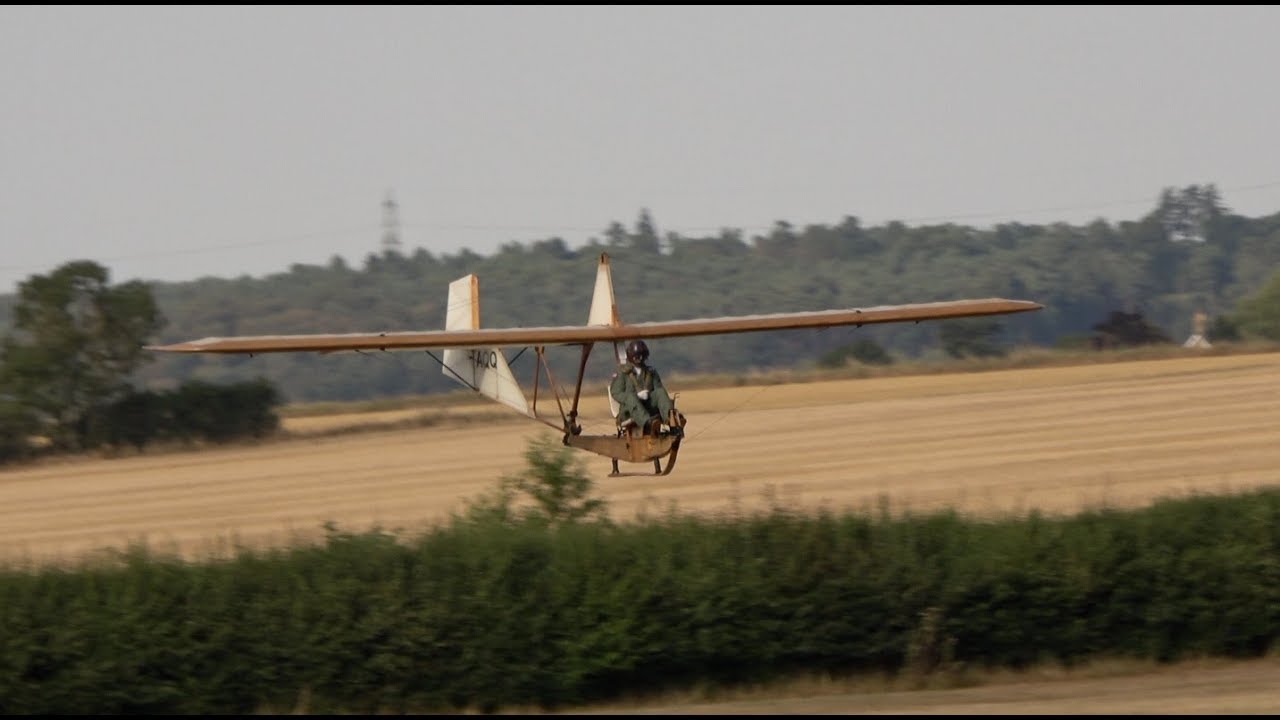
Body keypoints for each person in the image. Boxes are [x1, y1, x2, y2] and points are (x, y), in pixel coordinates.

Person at [610, 339, 681, 436]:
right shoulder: (623, 373)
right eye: (636, 356)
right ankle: (648, 423)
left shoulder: (651, 372)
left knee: (660, 392)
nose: (639, 358)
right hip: (629, 410)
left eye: (641, 356)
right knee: (631, 397)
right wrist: (637, 396)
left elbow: (658, 389)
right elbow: (616, 393)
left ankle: (671, 420)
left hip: (648, 407)